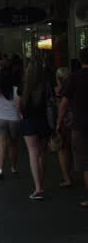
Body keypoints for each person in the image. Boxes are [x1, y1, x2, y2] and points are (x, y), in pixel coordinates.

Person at [58, 48, 88, 208]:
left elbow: (63, 103)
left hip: (81, 125)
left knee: (85, 163)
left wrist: (59, 122)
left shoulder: (75, 78)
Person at [18, 62, 52, 200]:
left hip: (29, 122)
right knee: (42, 154)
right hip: (44, 121)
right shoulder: (45, 85)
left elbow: (18, 106)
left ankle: (37, 187)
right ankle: (41, 184)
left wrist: (22, 116)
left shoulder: (24, 86)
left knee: (32, 153)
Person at [53, 67, 74, 189]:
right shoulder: (74, 88)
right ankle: (69, 173)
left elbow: (60, 107)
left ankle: (66, 177)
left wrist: (58, 123)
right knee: (71, 150)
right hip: (75, 122)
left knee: (62, 151)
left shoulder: (57, 90)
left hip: (62, 123)